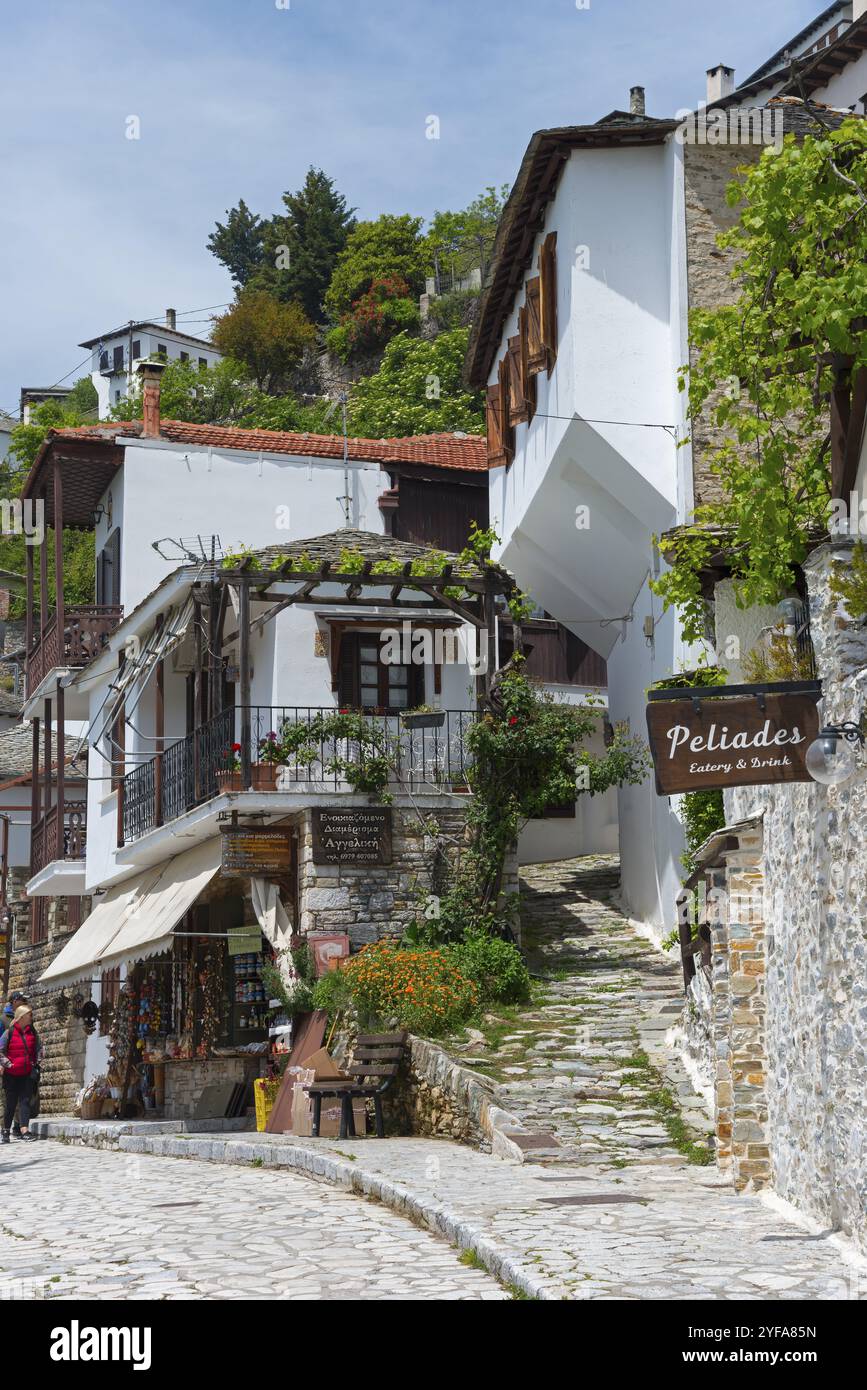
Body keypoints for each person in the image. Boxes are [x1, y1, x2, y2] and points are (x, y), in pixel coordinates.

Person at [0, 1005, 42, 1142]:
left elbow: (39, 1049)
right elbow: (0, 1051)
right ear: (22, 1016)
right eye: (29, 1014)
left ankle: (25, 1130)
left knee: (25, 1102)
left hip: (27, 1073)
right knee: (11, 1103)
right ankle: (6, 1130)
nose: (31, 1017)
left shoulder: (33, 1033)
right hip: (11, 1074)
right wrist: (8, 1064)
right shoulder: (9, 1033)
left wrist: (36, 1062)